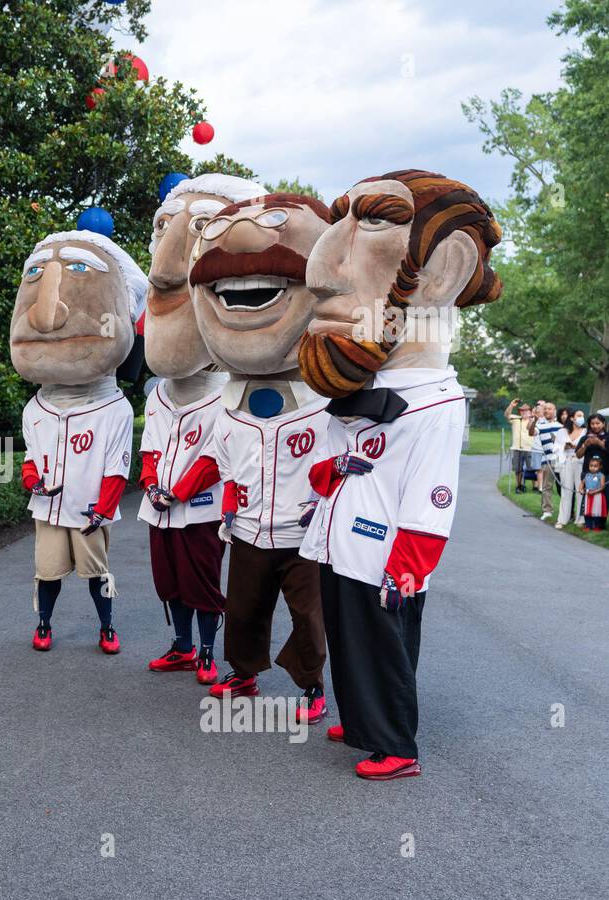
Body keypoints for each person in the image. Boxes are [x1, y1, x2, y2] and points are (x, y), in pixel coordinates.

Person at [296, 169, 502, 780]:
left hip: (385, 553)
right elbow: (329, 466)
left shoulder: (437, 401)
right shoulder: (367, 385)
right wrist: (334, 472)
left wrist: (408, 565)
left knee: (385, 647)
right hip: (342, 542)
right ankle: (360, 721)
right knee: (348, 637)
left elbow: (433, 496)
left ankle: (397, 746)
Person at [171, 191, 335, 724]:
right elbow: (213, 458)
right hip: (246, 530)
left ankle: (311, 687)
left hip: (303, 533)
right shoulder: (228, 404)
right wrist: (180, 488)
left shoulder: (325, 405)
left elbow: (343, 466)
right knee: (242, 608)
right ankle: (243, 674)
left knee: (308, 616)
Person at [139, 173, 266, 683]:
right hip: (161, 508)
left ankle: (210, 650)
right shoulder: (160, 394)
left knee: (204, 584)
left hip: (200, 510)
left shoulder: (225, 395)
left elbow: (220, 458)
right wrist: (153, 485)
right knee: (168, 584)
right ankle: (181, 644)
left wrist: (180, 490)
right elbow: (149, 447)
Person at [12, 230, 145, 655]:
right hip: (49, 507)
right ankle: (44, 624)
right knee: (47, 572)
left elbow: (116, 467)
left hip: (90, 509)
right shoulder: (37, 408)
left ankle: (107, 627)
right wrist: (32, 480)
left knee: (96, 572)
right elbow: (31, 456)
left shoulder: (115, 408)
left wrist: (104, 507)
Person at [555, 411, 584, 529]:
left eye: (582, 416)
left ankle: (580, 519)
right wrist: (564, 446)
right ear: (572, 418)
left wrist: (575, 447)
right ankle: (562, 519)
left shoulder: (585, 431)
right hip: (565, 461)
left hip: (580, 462)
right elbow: (555, 446)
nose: (581, 418)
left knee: (580, 491)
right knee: (566, 491)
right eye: (579, 415)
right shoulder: (562, 431)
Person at [534, 401, 563, 520]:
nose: (547, 411)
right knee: (547, 486)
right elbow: (532, 432)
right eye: (545, 409)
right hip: (547, 460)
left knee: (563, 487)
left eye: (549, 409)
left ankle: (567, 512)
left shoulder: (561, 426)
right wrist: (534, 422)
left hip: (561, 460)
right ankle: (547, 511)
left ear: (554, 410)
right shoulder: (539, 425)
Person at [504, 399, 535, 492]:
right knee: (518, 468)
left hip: (529, 448)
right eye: (522, 410)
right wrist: (511, 405)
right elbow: (506, 415)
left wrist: (532, 419)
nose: (524, 412)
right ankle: (519, 485)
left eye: (526, 410)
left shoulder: (533, 420)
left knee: (531, 468)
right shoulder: (516, 419)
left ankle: (535, 486)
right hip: (517, 448)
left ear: (530, 411)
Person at [585, 457, 606, 531]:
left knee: (596, 511)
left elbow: (603, 487)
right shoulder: (587, 475)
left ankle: (597, 526)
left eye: (595, 466)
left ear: (600, 466)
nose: (593, 468)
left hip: (597, 496)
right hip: (588, 496)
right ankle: (588, 525)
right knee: (587, 510)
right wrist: (580, 489)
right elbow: (582, 483)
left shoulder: (601, 476)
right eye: (591, 465)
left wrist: (594, 492)